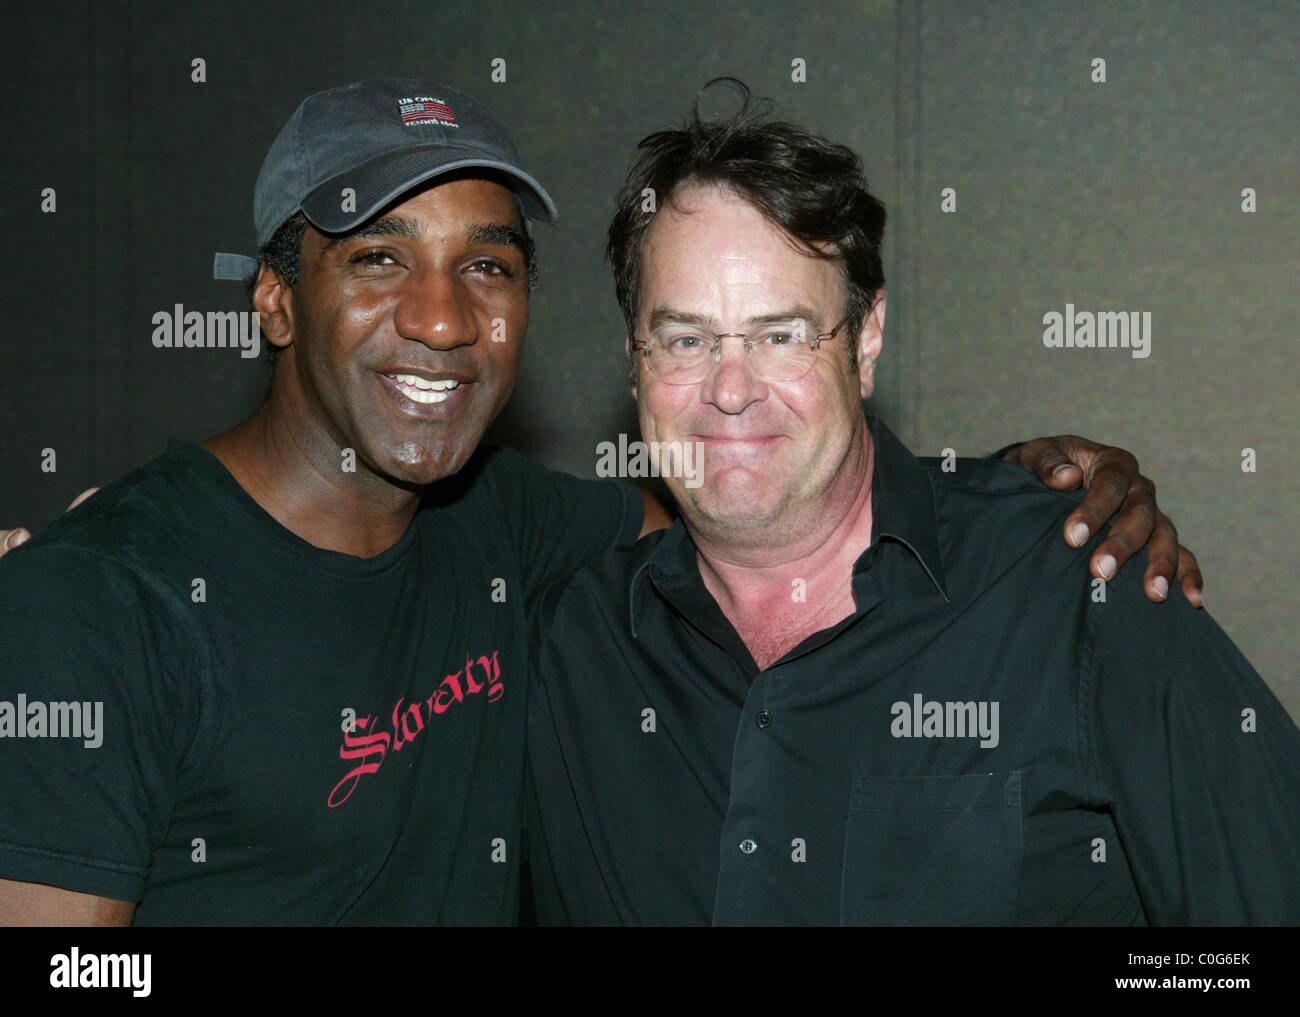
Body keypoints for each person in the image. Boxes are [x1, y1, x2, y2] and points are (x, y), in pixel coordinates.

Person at [0, 79, 1193, 926]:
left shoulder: (502, 525)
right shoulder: (95, 604)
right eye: (377, 256)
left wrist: (1010, 498)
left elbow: (752, 504)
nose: (440, 316)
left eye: (487, 263)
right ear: (271, 301)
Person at [523, 82, 1300, 926]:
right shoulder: (569, 643)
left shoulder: (1084, 583)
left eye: (782, 334)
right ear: (634, 359)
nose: (731, 388)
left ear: (866, 342)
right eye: (686, 339)